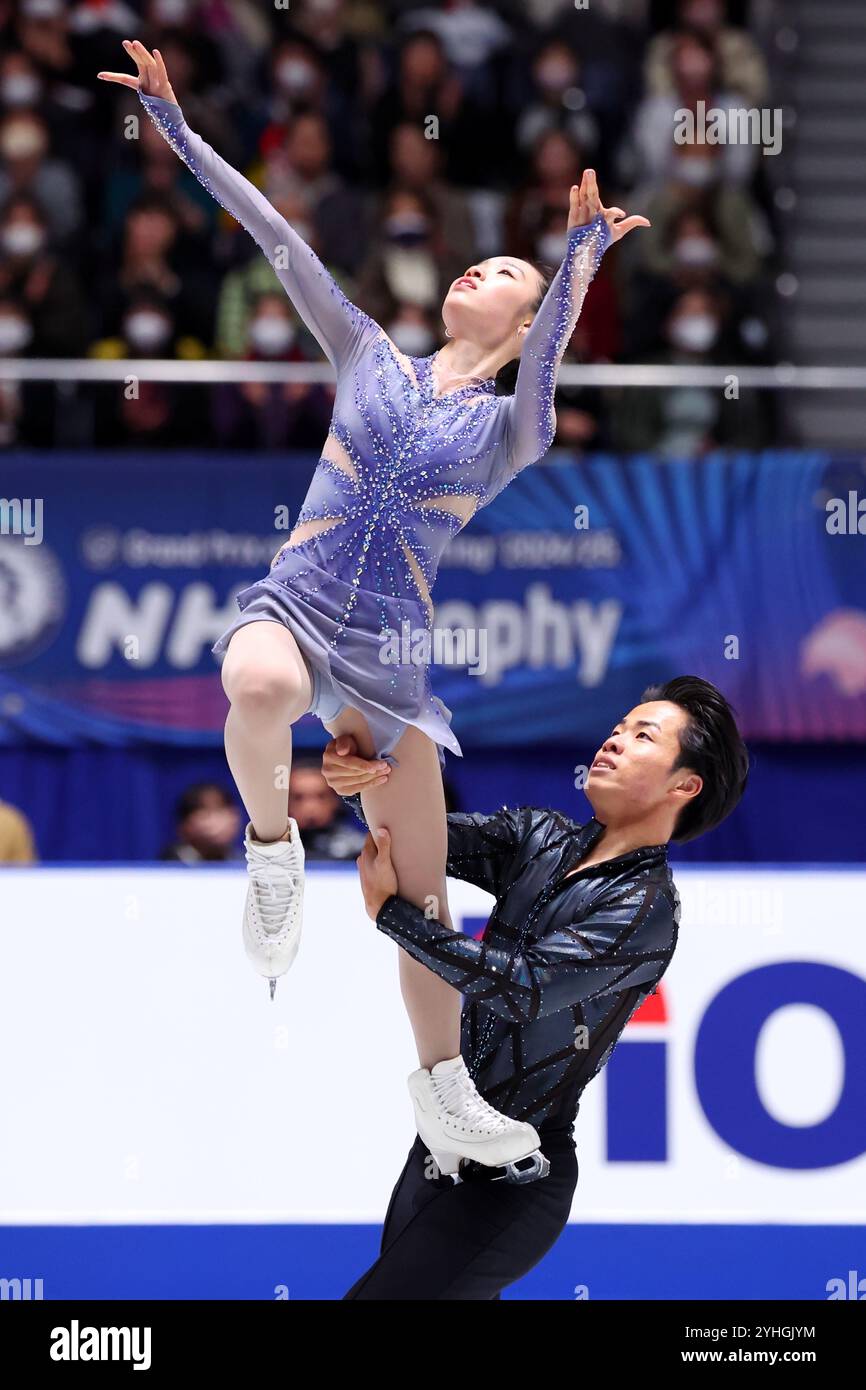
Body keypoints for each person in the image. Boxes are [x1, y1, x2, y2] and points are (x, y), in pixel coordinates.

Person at [97, 40, 649, 1177]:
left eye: (497, 271)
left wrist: (576, 261)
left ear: (521, 312)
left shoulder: (510, 431)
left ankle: (443, 1093)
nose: (469, 274)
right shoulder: (365, 354)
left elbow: (541, 369)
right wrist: (179, 129)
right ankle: (268, 849)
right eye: (470, 265)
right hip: (292, 606)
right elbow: (279, 242)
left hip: (392, 663)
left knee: (420, 886)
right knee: (254, 682)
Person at [322, 676, 749, 1299]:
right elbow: (423, 833)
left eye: (642, 736)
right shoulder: (538, 838)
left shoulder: (645, 906)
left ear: (684, 785)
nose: (614, 741)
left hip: (518, 1178)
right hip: (438, 1149)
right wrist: (359, 781)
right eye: (617, 727)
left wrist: (393, 917)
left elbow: (523, 990)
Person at [159, 782, 243, 864]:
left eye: (222, 809)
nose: (220, 820)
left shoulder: (243, 863)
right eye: (206, 811)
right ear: (185, 824)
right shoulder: (167, 866)